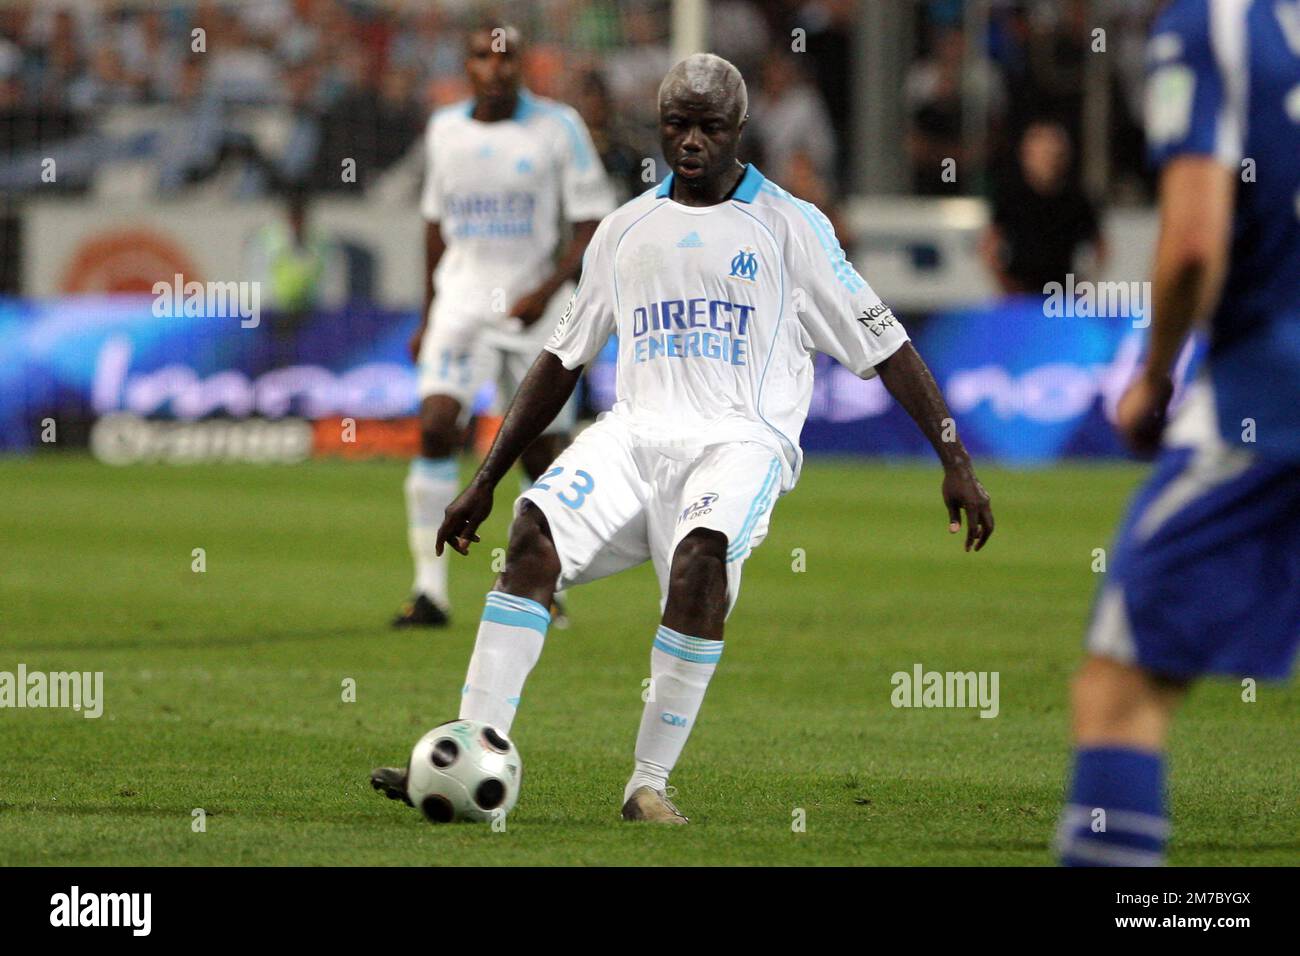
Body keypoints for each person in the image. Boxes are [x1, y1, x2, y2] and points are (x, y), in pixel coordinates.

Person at [372, 53, 994, 823]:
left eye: (710, 126)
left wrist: (954, 460)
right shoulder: (624, 230)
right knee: (532, 530)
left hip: (740, 444)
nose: (691, 141)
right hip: (634, 437)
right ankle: (472, 750)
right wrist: (487, 479)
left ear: (740, 129)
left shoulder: (792, 227)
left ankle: (646, 785)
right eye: (677, 125)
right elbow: (560, 360)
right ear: (660, 127)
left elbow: (887, 345)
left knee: (700, 563)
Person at [1056, 0, 1300, 866]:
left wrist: (1154, 381)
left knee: (1123, 687)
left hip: (1270, 402)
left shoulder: (1213, 27)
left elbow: (1195, 243)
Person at [393, 20, 614, 628]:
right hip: (461, 304)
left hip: (537, 309)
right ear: (465, 66)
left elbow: (593, 221)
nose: (494, 69)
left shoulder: (558, 127)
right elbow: (435, 226)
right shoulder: (444, 129)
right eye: (481, 58)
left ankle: (549, 580)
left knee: (543, 455)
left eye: (506, 58)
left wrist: (547, 289)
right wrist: (425, 312)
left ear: (522, 65)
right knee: (437, 426)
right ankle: (430, 591)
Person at [981, 119, 1106, 295]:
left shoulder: (1076, 199)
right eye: (1041, 151)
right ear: (1026, 155)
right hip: (1021, 293)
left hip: (1061, 293)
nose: (1047, 157)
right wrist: (1006, 285)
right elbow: (989, 246)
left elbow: (1101, 248)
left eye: (1053, 151)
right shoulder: (1011, 196)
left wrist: (1084, 285)